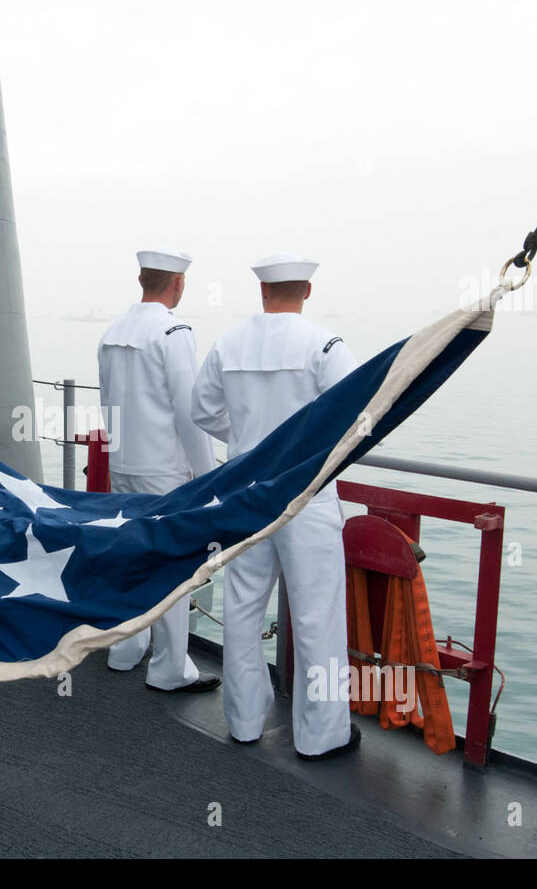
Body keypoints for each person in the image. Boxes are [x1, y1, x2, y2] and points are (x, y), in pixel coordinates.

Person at [191, 253, 359, 757]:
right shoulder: (325, 345)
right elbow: (355, 416)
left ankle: (243, 723)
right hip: (305, 492)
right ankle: (321, 735)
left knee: (242, 608)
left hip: (247, 492)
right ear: (306, 292)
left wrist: (247, 445)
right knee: (316, 615)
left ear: (262, 292)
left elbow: (201, 411)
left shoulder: (228, 343)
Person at [97, 248, 220, 693]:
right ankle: (170, 669)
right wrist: (208, 477)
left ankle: (124, 650)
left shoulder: (113, 331)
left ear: (141, 280)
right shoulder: (173, 331)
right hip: (163, 470)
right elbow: (191, 413)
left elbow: (106, 399)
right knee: (173, 567)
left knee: (132, 559)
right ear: (178, 284)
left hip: (124, 464)